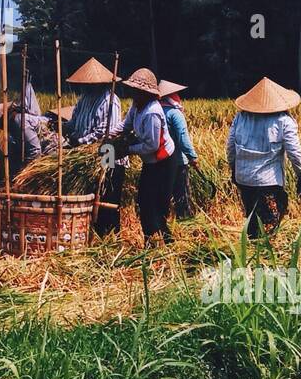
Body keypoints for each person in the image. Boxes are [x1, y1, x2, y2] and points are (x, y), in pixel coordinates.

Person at [226, 77, 301, 238]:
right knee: (270, 221)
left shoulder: (241, 117)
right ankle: (263, 254)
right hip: (268, 181)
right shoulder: (284, 121)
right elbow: (294, 152)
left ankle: (250, 250)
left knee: (252, 217)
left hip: (244, 178)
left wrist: (234, 168)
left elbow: (230, 147)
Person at [63, 57, 126, 235]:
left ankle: (111, 236)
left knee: (108, 194)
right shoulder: (84, 99)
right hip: (88, 153)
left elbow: (106, 132)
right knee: (92, 194)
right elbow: (74, 123)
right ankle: (95, 231)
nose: (85, 87)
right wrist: (63, 128)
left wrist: (80, 141)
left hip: (109, 152)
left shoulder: (110, 100)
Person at [120, 68, 177, 244]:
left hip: (163, 161)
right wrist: (108, 136)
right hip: (151, 162)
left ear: (145, 92)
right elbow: (125, 125)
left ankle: (160, 240)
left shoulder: (152, 111)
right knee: (144, 201)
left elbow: (152, 145)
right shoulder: (137, 105)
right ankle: (153, 239)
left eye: (136, 90)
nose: (132, 93)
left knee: (154, 203)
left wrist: (128, 149)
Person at [158, 80, 199, 221]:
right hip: (178, 161)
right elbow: (183, 138)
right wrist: (193, 157)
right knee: (182, 195)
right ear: (172, 95)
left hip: (159, 159)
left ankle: (162, 220)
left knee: (163, 194)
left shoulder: (156, 110)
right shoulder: (174, 113)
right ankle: (185, 221)